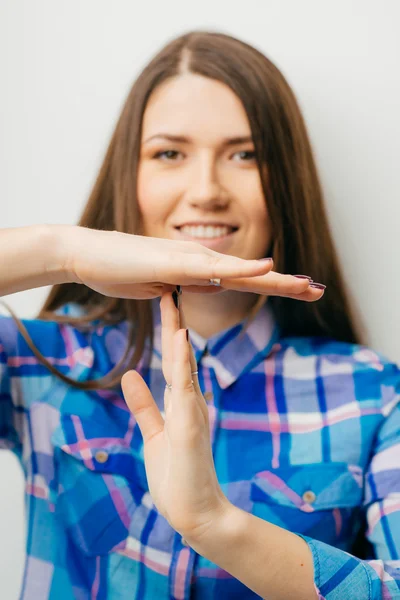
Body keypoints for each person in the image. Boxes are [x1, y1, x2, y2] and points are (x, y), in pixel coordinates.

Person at [0, 30, 399, 600]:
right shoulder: (43, 361)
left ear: (284, 179)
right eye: (169, 153)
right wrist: (58, 252)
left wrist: (218, 525)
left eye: (245, 154)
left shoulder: (371, 393)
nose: (206, 190)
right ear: (130, 176)